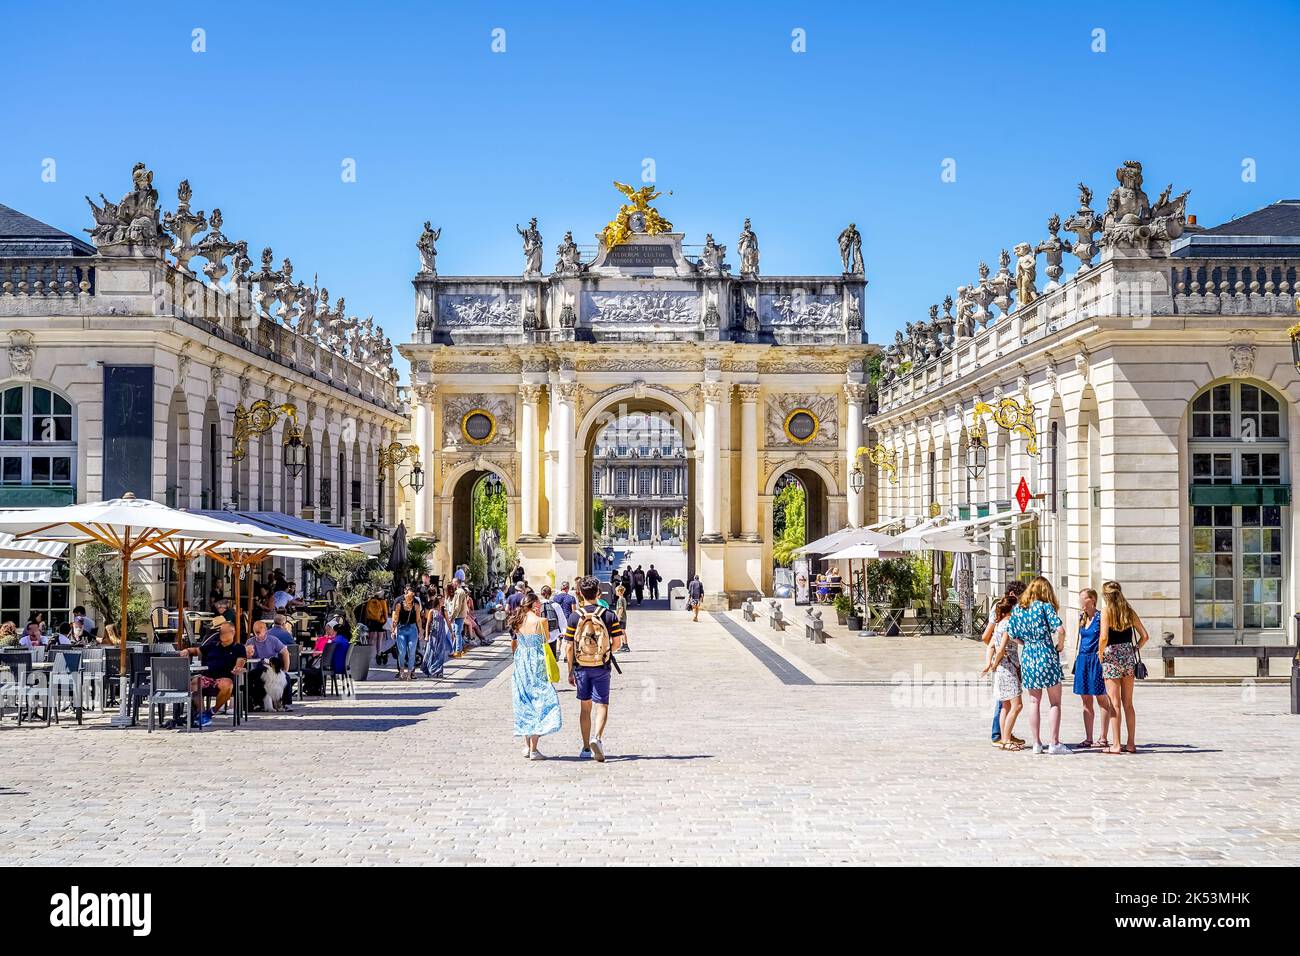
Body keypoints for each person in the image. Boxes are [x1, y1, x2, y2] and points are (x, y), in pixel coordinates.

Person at [1005, 576, 1069, 755]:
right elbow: (1061, 630)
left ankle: (1036, 743)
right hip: (1047, 654)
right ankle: (1054, 743)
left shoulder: (1018, 609)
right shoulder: (1044, 607)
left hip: (1028, 656)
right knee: (1055, 702)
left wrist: (1025, 643)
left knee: (1034, 701)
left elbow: (1011, 634)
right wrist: (1061, 645)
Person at [564, 576, 624, 763]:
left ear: (580, 593)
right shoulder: (608, 615)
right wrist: (604, 653)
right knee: (602, 705)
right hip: (601, 666)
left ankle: (585, 747)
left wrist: (570, 669)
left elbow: (568, 646)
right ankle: (597, 738)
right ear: (599, 593)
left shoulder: (575, 616)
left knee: (585, 707)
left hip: (582, 666)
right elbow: (617, 642)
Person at [510, 589, 563, 759]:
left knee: (525, 702)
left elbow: (516, 642)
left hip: (521, 661)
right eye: (538, 603)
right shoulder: (541, 621)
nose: (540, 605)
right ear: (533, 605)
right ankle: (533, 749)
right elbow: (546, 639)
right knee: (541, 701)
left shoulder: (518, 620)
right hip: (537, 661)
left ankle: (527, 747)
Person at [1098, 580, 1149, 755]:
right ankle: (1131, 743)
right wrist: (1134, 649)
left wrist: (1100, 652)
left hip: (1111, 657)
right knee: (1128, 703)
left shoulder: (1106, 612)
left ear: (1106, 596)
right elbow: (1144, 636)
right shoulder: (1129, 611)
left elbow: (1104, 637)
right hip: (1128, 657)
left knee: (1115, 704)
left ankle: (1116, 744)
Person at [980, 581, 1026, 746]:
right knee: (1008, 703)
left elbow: (992, 641)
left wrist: (993, 660)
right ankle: (999, 735)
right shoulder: (1004, 617)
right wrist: (1000, 656)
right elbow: (987, 638)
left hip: (1002, 664)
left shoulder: (1002, 617)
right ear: (1013, 595)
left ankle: (1004, 734)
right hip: (1006, 665)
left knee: (1005, 703)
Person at [181, 621, 247, 728]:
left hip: (224, 678)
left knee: (227, 685)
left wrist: (238, 668)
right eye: (220, 632)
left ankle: (212, 711)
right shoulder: (212, 645)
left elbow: (240, 662)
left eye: (224, 632)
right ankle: (202, 714)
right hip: (207, 676)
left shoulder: (238, 648)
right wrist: (187, 650)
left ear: (232, 632)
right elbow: (197, 650)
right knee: (194, 683)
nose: (221, 634)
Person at [1072, 588, 1113, 748]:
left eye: (1083, 599)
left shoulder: (1100, 617)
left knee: (1101, 698)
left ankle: (1103, 737)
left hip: (1096, 660)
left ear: (1092, 600)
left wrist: (1101, 655)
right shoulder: (1081, 617)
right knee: (1085, 699)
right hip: (1082, 659)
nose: (1081, 602)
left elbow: (1105, 637)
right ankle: (1088, 738)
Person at [245, 619, 292, 711]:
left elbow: (285, 652)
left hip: (273, 667)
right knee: (249, 678)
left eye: (260, 630)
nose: (257, 633)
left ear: (265, 630)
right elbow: (245, 657)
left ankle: (286, 703)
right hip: (259, 667)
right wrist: (248, 654)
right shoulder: (250, 641)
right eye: (256, 631)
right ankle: (254, 704)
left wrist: (286, 668)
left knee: (286, 677)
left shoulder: (273, 640)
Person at [390, 585, 422, 681]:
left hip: (412, 628)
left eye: (412, 597)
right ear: (405, 594)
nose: (411, 599)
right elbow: (395, 618)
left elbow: (418, 618)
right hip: (401, 628)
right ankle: (401, 671)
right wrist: (393, 630)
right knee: (402, 652)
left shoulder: (416, 603)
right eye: (409, 597)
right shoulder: (398, 602)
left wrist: (420, 630)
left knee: (412, 651)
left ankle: (410, 672)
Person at [420, 592, 453, 679]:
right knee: (430, 652)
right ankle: (428, 669)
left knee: (440, 653)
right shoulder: (432, 611)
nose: (443, 602)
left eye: (443, 600)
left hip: (441, 634)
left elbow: (448, 623)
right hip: (433, 635)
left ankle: (438, 671)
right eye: (441, 600)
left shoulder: (444, 611)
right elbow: (428, 623)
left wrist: (452, 632)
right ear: (437, 601)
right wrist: (426, 635)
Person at [364, 591, 392, 663]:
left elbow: (367, 613)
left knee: (371, 638)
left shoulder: (370, 601)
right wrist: (385, 620)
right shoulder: (382, 601)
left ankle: (368, 653)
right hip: (380, 621)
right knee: (379, 638)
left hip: (372, 621)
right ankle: (378, 653)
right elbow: (385, 613)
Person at [539, 585, 562, 664]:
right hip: (553, 634)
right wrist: (562, 632)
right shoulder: (555, 605)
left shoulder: (537, 605)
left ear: (541, 594)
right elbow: (561, 619)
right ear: (550, 594)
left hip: (540, 635)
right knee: (552, 657)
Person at [448, 582, 469, 657]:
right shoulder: (459, 591)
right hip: (460, 615)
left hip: (459, 615)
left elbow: (457, 606)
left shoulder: (459, 592)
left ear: (456, 583)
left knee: (457, 633)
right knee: (457, 632)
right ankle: (464, 646)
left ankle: (458, 651)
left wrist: (453, 617)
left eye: (453, 582)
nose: (452, 584)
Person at [613, 584, 630, 653]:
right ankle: (624, 645)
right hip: (624, 617)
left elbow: (621, 609)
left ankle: (625, 645)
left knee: (621, 632)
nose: (616, 592)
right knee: (622, 631)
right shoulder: (623, 599)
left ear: (619, 592)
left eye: (616, 591)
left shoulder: (620, 600)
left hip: (621, 618)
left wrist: (618, 617)